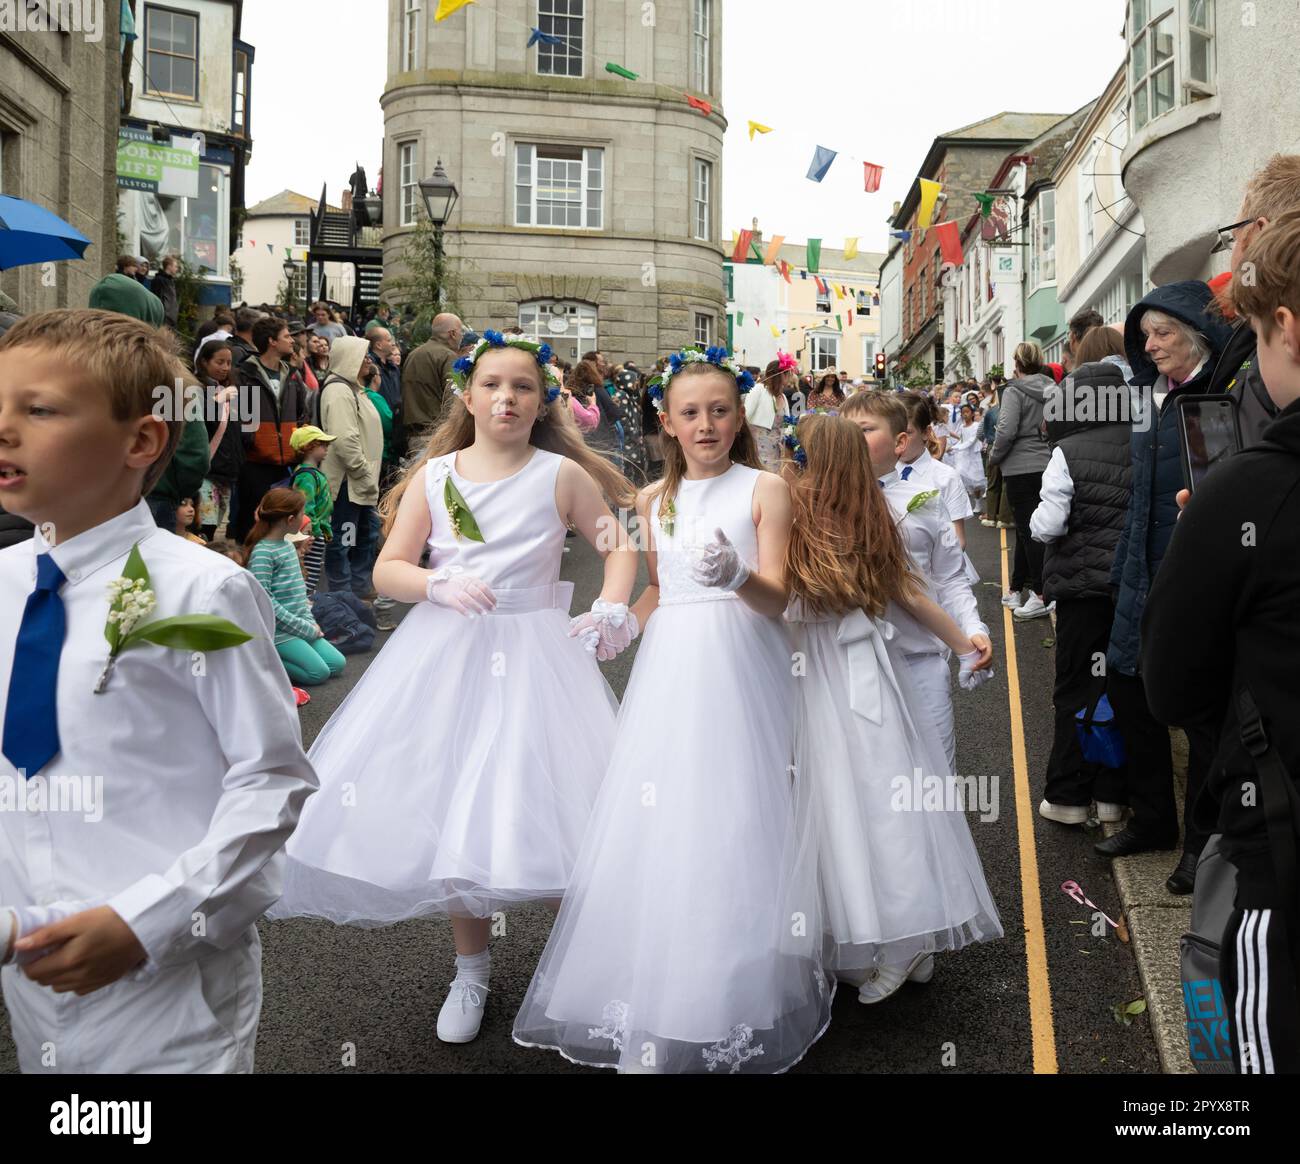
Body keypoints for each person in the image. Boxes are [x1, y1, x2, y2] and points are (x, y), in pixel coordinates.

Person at [269, 331, 638, 1046]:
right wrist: (435, 581)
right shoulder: (437, 477)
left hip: (536, 652)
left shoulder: (558, 477)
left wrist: (611, 603)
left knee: (570, 810)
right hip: (449, 651)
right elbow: (389, 570)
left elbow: (617, 545)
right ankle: (471, 969)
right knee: (457, 811)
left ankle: (585, 965)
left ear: (543, 401)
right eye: (493, 384)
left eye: (524, 387)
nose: (507, 397)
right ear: (467, 395)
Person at [0, 309, 317, 1072]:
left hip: (169, 985)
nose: (4, 430)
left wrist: (148, 922)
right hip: (33, 975)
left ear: (141, 440)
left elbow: (271, 779)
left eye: (37, 410)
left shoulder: (203, 593)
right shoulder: (6, 586)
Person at [513, 346, 832, 1073]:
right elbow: (661, 588)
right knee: (661, 810)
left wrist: (739, 574)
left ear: (738, 416)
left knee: (735, 809)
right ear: (668, 422)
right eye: (691, 412)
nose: (707, 423)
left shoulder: (766, 489)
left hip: (743, 657)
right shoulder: (651, 500)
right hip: (671, 668)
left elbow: (779, 596)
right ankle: (658, 980)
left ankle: (734, 980)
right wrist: (623, 619)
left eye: (720, 409)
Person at [1142, 209, 1300, 1072]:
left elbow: (1172, 685)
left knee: (1227, 1039)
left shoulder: (1251, 487)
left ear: (1288, 328)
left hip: (1270, 856)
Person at [783, 411, 1000, 1001]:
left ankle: (908, 940)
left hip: (856, 668)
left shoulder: (877, 516)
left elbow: (913, 589)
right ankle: (868, 937)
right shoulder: (790, 512)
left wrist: (963, 641)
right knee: (835, 804)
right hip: (813, 670)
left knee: (887, 798)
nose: (790, 466)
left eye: (798, 456)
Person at [1096, 282, 1233, 890]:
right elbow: (1137, 499)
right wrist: (1122, 567)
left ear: (1195, 334)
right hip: (1140, 570)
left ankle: (1200, 849)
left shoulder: (1218, 397)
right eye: (1145, 335)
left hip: (1192, 577)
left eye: (1163, 333)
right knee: (1132, 695)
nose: (1150, 346)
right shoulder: (1149, 397)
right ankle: (1154, 821)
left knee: (1201, 716)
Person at [843, 391, 993, 776]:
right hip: (850, 668)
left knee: (934, 775)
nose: (852, 438)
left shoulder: (925, 501)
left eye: (864, 429)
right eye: (845, 430)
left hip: (920, 661)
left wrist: (972, 628)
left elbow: (950, 577)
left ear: (900, 442)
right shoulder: (824, 503)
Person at [1031, 325, 1134, 827]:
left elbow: (1048, 525)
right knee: (1118, 689)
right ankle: (1114, 797)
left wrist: (1034, 522)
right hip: (1129, 589)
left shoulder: (1065, 454)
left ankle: (1069, 797)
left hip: (1081, 591)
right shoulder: (1147, 444)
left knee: (1075, 690)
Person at [1206, 154, 1300, 444]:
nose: (1232, 260)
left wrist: (1225, 487)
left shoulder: (1275, 365)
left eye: (1233, 239)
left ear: (1259, 233)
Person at [245, 487, 346, 687]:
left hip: (300, 625)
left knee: (337, 664)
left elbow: (299, 597)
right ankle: (258, 662)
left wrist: (311, 625)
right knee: (319, 673)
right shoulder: (263, 552)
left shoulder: (288, 546)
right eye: (302, 513)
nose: (304, 517)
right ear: (290, 519)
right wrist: (306, 630)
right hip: (279, 632)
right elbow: (266, 603)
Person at [988, 342, 1055, 619]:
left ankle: (1040, 594)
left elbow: (1005, 431)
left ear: (1017, 364)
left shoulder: (1014, 391)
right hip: (1048, 461)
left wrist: (994, 457)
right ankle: (1017, 588)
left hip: (1019, 465)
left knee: (1029, 531)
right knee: (1031, 530)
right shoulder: (1053, 388)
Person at [231, 316, 307, 544]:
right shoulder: (244, 374)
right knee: (251, 523)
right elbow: (238, 417)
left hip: (286, 464)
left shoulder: (293, 376)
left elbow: (302, 414)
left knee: (281, 525)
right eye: (286, 336)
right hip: (255, 463)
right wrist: (250, 440)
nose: (291, 341)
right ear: (272, 341)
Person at [319, 338, 383, 602]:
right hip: (349, 482)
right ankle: (343, 594)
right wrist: (364, 474)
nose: (369, 359)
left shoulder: (354, 389)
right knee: (344, 539)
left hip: (360, 482)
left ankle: (357, 590)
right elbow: (345, 439)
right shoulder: (338, 391)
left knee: (364, 537)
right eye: (364, 355)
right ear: (350, 358)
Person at [195, 338, 242, 541]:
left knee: (215, 527)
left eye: (228, 363)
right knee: (203, 526)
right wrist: (217, 402)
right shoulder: (194, 387)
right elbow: (197, 422)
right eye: (219, 362)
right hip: (206, 470)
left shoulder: (230, 389)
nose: (225, 368)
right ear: (204, 362)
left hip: (226, 470)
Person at [402, 313, 463, 456]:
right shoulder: (448, 356)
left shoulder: (414, 354)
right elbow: (453, 399)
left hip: (414, 436)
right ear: (453, 333)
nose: (462, 336)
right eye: (461, 332)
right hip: (437, 436)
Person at [287, 425, 336, 594]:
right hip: (310, 535)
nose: (326, 449)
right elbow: (305, 506)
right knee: (309, 573)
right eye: (322, 445)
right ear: (308, 447)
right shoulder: (307, 476)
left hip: (315, 532)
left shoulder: (311, 473)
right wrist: (314, 532)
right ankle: (305, 601)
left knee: (313, 573)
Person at [744, 354, 793, 472]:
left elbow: (786, 423)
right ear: (780, 375)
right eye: (788, 374)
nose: (791, 377)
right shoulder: (759, 389)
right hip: (758, 445)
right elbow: (745, 416)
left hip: (777, 447)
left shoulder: (783, 397)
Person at [949, 402, 987, 506]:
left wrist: (954, 447)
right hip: (963, 456)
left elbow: (971, 441)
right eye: (963, 412)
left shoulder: (976, 426)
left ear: (972, 413)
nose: (965, 414)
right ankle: (972, 502)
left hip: (974, 456)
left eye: (967, 412)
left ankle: (978, 503)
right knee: (963, 477)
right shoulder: (961, 426)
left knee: (976, 482)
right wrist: (952, 449)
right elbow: (961, 440)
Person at [151, 255, 180, 331]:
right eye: (175, 266)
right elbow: (158, 299)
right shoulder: (159, 280)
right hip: (164, 320)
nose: (177, 269)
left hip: (171, 319)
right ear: (169, 266)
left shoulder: (170, 281)